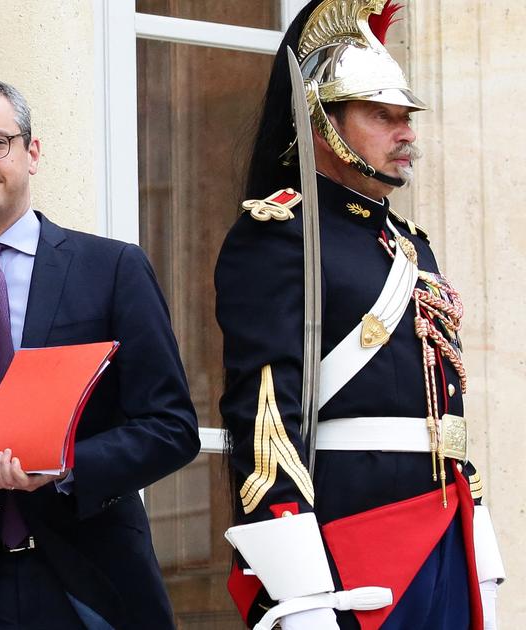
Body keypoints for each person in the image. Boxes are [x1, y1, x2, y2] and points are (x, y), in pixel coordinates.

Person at [216, 1, 506, 629]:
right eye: (383, 115)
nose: (407, 133)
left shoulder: (408, 243)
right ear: (324, 121)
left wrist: (476, 537)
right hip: (351, 545)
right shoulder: (281, 234)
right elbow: (266, 416)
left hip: (444, 528)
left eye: (407, 117)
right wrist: (300, 590)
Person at [0, 78, 199, 629]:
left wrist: (66, 466)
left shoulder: (112, 270)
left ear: (32, 153)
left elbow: (171, 428)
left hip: (88, 580)